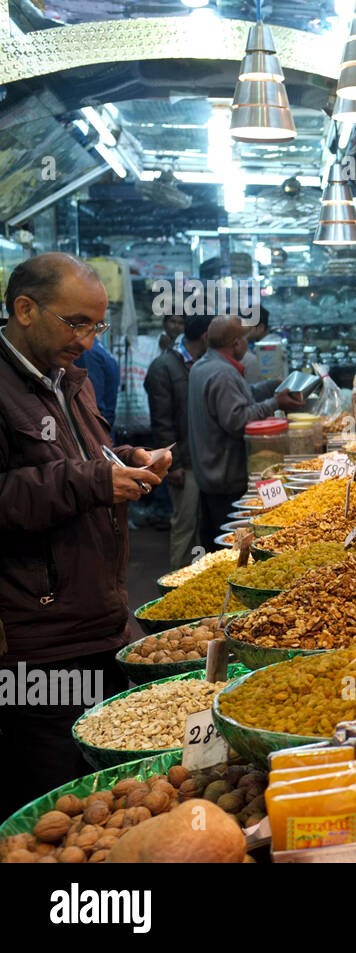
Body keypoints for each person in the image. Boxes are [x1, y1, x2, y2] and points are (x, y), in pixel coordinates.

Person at [0, 252, 171, 816]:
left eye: (98, 324)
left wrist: (125, 460)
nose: (91, 341)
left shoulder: (69, 381)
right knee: (53, 803)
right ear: (25, 309)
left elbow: (79, 458)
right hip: (37, 646)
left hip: (100, 620)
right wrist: (95, 479)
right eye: (77, 323)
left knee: (108, 787)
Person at [188, 314, 302, 548]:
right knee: (230, 547)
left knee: (213, 540)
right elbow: (238, 420)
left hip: (209, 473)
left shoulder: (203, 366)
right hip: (226, 476)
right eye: (246, 340)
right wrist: (275, 404)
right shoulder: (223, 373)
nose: (247, 345)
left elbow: (237, 398)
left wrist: (270, 387)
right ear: (236, 343)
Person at [144, 313, 211, 568]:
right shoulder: (164, 367)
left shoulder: (199, 363)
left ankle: (196, 582)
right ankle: (178, 589)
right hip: (183, 461)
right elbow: (162, 423)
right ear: (206, 336)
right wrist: (172, 465)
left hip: (202, 459)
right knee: (185, 525)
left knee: (199, 525)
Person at [73, 335, 120, 432]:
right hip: (104, 423)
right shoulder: (99, 349)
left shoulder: (89, 352)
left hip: (97, 426)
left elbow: (92, 400)